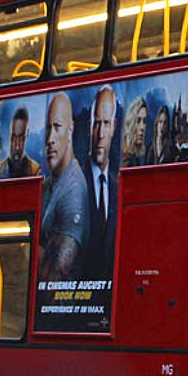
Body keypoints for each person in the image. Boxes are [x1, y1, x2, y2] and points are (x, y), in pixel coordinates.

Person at [39, 93, 89, 281]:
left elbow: (57, 271)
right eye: (48, 128)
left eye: (57, 127)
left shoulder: (73, 189)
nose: (50, 138)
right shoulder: (50, 184)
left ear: (70, 130)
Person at [84, 87, 119, 279]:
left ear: (114, 126)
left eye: (106, 124)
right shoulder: (76, 183)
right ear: (90, 128)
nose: (101, 134)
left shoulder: (117, 188)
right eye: (96, 124)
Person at [0, 106, 41, 179]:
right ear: (9, 133)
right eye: (13, 137)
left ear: (27, 134)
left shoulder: (35, 171)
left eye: (21, 138)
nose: (17, 146)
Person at [121, 95, 148, 168]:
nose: (142, 127)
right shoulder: (126, 160)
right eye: (138, 121)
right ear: (130, 122)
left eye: (144, 121)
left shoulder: (134, 156)